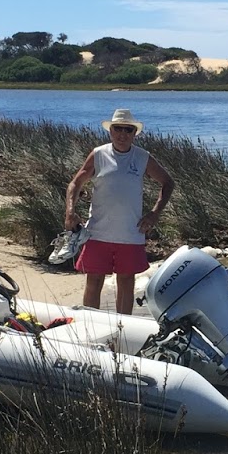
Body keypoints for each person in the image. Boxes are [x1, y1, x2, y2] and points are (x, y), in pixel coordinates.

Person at [64, 107, 174, 314]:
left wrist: (154, 213)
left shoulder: (142, 157)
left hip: (131, 233)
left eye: (128, 129)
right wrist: (70, 211)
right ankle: (90, 324)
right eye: (118, 129)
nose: (122, 134)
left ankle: (123, 327)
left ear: (134, 133)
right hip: (98, 232)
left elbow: (168, 183)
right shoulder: (99, 154)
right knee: (94, 280)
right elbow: (75, 183)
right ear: (110, 131)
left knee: (126, 282)